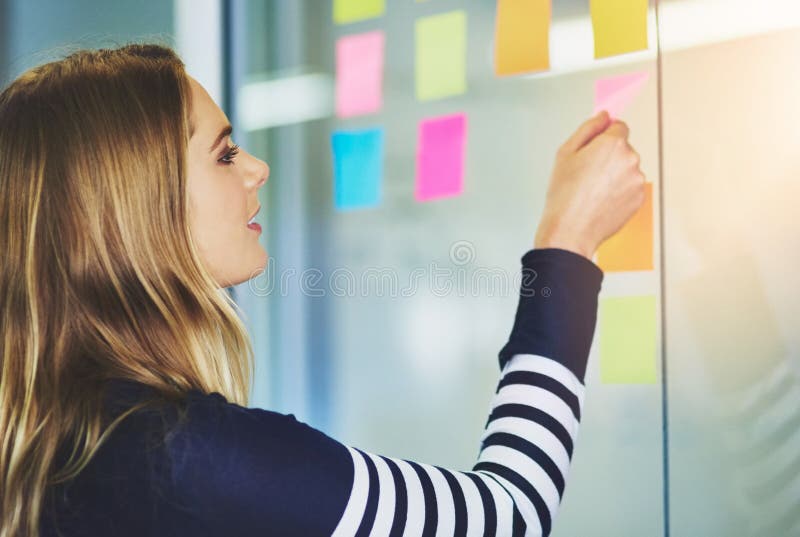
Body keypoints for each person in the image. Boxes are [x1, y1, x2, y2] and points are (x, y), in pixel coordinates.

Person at [0, 44, 645, 537]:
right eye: (224, 155)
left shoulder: (57, 445)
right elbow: (506, 515)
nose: (258, 168)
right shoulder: (189, 456)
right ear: (133, 208)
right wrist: (568, 243)